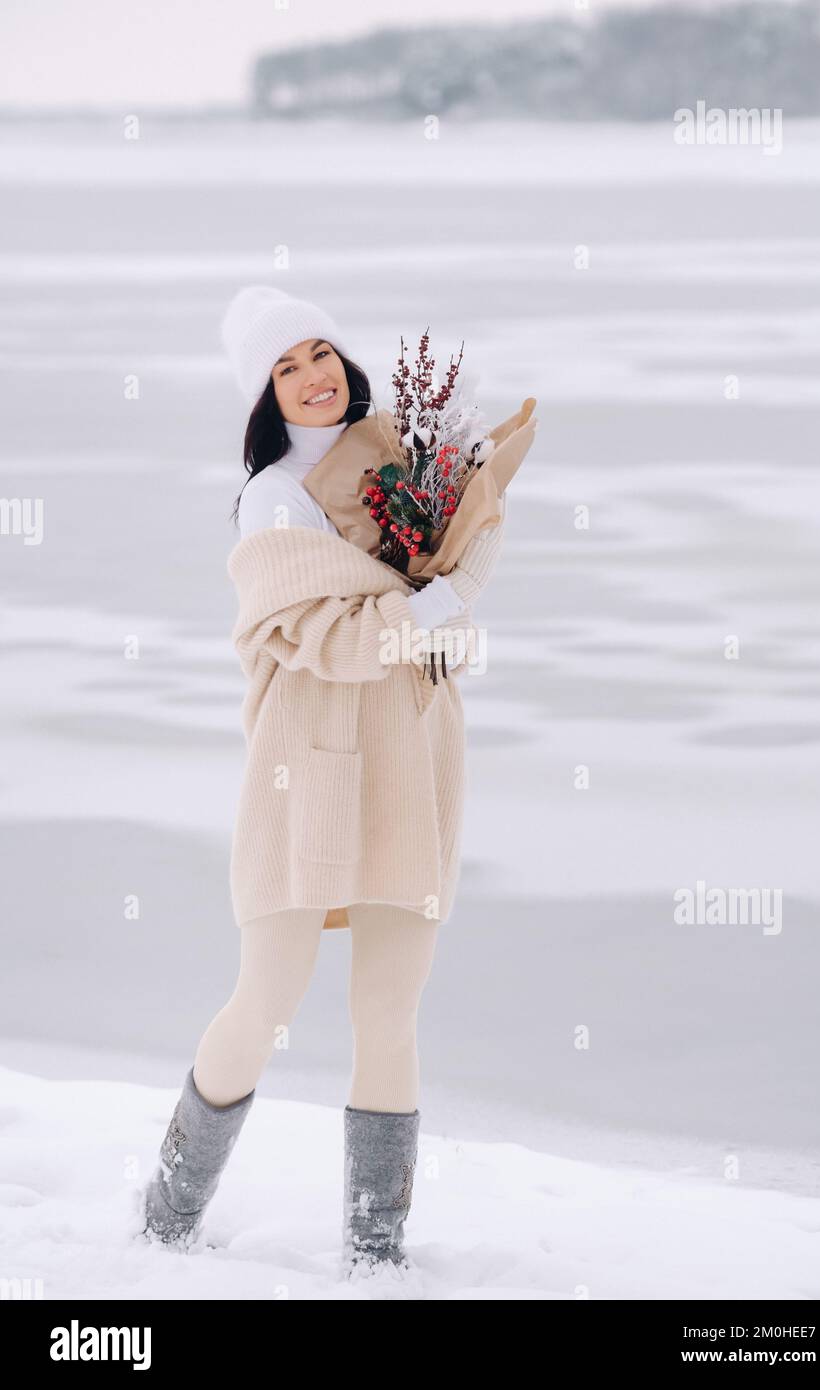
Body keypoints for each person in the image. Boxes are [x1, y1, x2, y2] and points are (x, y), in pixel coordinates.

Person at [140, 287, 507, 1276]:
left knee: (389, 1007)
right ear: (261, 395)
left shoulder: (403, 463)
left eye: (321, 352)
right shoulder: (271, 500)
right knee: (265, 997)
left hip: (409, 755)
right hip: (303, 771)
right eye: (286, 366)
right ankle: (167, 1213)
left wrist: (455, 598)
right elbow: (314, 635)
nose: (314, 376)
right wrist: (433, 606)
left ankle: (375, 1249)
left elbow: (445, 616)